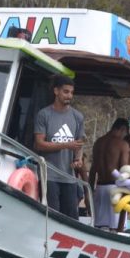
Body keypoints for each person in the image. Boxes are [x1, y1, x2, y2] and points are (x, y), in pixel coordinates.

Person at [33, 75, 85, 220]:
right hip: (49, 175)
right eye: (66, 92)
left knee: (72, 219)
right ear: (56, 91)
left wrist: (78, 159)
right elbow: (39, 144)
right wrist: (66, 145)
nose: (69, 96)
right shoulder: (44, 114)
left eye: (71, 93)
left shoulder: (78, 116)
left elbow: (79, 144)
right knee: (52, 217)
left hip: (69, 177)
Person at [88, 118, 130, 229]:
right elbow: (124, 170)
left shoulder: (98, 142)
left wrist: (90, 190)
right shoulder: (122, 144)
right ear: (123, 129)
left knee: (98, 227)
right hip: (115, 187)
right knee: (117, 229)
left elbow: (93, 169)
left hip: (100, 187)